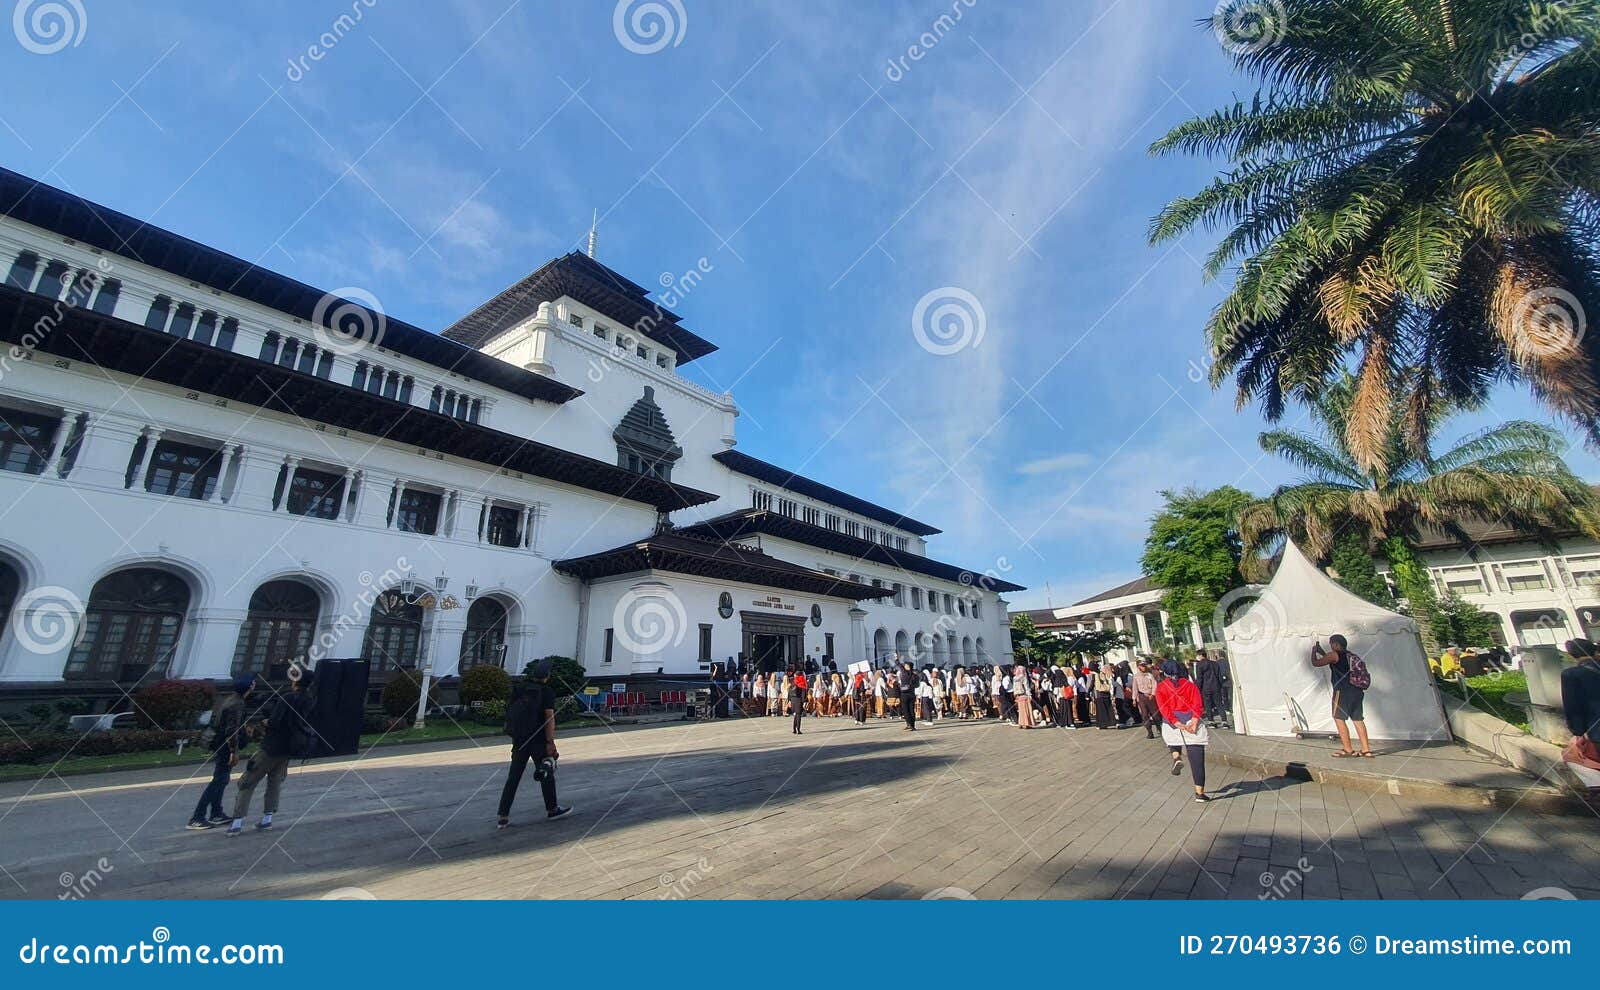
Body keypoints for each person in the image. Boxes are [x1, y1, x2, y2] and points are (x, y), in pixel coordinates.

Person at [227, 666, 315, 836]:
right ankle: (267, 819)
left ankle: (237, 822)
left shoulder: (288, 698)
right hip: (290, 747)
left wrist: (264, 722)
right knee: (275, 782)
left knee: (248, 782)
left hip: (272, 746)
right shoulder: (309, 699)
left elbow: (274, 722)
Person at [498, 660, 573, 828]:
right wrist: (550, 742)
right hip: (538, 739)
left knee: (513, 777)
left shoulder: (519, 688)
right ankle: (552, 809)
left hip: (520, 739)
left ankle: (503, 816)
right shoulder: (546, 692)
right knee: (546, 772)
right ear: (547, 676)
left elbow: (510, 712)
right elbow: (549, 717)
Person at [187, 675, 257, 830]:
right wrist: (233, 751)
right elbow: (232, 730)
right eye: (253, 683)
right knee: (218, 781)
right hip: (225, 747)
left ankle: (216, 813)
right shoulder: (237, 704)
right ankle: (197, 817)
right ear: (249, 687)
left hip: (220, 743)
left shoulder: (230, 699)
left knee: (221, 780)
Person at [1155, 659, 1209, 802]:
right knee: (1197, 760)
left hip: (1173, 722)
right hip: (1191, 720)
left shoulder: (1161, 687)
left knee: (1173, 741)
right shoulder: (1190, 685)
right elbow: (1198, 704)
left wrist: (1175, 722)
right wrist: (1195, 720)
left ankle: (1176, 756)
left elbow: (1163, 707)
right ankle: (1199, 793)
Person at [1312, 634, 1373, 758]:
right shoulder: (1351, 656)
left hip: (1342, 692)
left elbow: (1316, 663)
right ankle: (1366, 750)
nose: (1330, 646)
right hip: (1357, 691)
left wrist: (1314, 652)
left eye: (1331, 644)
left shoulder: (1334, 655)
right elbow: (1333, 661)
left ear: (1336, 644)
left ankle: (1348, 749)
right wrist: (1322, 652)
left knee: (1339, 718)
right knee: (1358, 720)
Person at [1561, 639, 1600, 759]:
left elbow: (1572, 707)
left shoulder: (1571, 675)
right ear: (1595, 652)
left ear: (1571, 655)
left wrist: (1578, 732)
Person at [1193, 649, 1228, 729]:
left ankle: (1211, 721)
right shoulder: (1214, 664)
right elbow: (1219, 676)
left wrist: (1197, 688)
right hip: (1216, 686)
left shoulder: (1199, 665)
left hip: (1205, 688)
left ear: (1200, 655)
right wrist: (1220, 685)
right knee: (1219, 704)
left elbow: (1200, 678)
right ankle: (1224, 721)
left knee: (1207, 705)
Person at [1132, 661, 1161, 739]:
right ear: (1138, 667)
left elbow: (1154, 684)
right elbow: (1135, 688)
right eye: (1142, 666)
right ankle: (1150, 732)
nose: (1144, 667)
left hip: (1150, 696)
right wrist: (1134, 698)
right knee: (1144, 715)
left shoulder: (1149, 675)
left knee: (1155, 714)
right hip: (1141, 697)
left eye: (1144, 666)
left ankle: (1159, 728)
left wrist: (1153, 694)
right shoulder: (1136, 677)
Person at [1092, 663, 1115, 730]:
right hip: (1105, 693)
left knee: (1102, 710)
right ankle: (1109, 722)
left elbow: (1094, 684)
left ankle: (1103, 724)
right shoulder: (1103, 674)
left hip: (1101, 693)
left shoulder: (1098, 674)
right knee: (1107, 709)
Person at [897, 661, 918, 731]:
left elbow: (899, 665)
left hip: (904, 694)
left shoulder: (904, 673)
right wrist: (911, 686)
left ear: (908, 667)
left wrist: (896, 658)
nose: (904, 666)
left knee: (905, 710)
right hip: (912, 694)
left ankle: (909, 724)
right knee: (911, 710)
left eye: (905, 666)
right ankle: (912, 725)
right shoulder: (915, 675)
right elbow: (917, 685)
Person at [1013, 664, 1036, 729]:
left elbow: (1014, 687)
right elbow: (1026, 686)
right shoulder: (1023, 677)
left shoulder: (1015, 678)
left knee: (1021, 710)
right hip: (1024, 695)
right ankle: (1026, 724)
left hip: (1018, 695)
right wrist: (1029, 695)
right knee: (1026, 710)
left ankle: (1021, 723)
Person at [790, 666, 808, 735]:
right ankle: (798, 729)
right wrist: (804, 701)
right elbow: (803, 693)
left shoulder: (793, 681)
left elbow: (789, 691)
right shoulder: (802, 682)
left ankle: (794, 729)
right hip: (798, 700)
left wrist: (789, 700)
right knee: (798, 715)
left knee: (795, 714)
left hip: (793, 700)